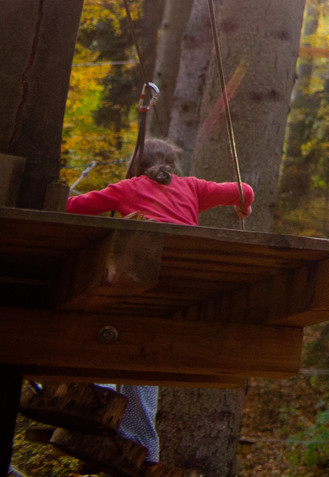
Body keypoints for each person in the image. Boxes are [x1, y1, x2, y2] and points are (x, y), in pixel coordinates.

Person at [64, 138, 253, 463]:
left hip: (136, 288)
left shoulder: (127, 188)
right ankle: (142, 447)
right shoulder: (192, 188)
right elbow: (244, 190)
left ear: (137, 165)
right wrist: (243, 206)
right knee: (142, 357)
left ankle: (97, 411)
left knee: (97, 329)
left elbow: (73, 207)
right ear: (173, 164)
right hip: (179, 291)